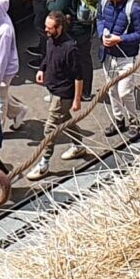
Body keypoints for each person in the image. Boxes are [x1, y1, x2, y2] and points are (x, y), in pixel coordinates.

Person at [28, 11, 91, 179]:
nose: (46, 30)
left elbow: (79, 76)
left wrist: (77, 100)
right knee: (66, 121)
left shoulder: (70, 48)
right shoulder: (51, 41)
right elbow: (48, 58)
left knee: (49, 128)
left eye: (49, 28)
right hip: (53, 89)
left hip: (63, 94)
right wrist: (42, 69)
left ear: (60, 28)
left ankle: (44, 164)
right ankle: (78, 145)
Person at [94, 0, 140, 135]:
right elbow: (100, 19)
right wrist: (101, 33)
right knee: (112, 90)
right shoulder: (104, 2)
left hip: (126, 57)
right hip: (108, 56)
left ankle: (134, 121)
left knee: (125, 91)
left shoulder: (134, 9)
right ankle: (119, 120)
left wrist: (120, 39)